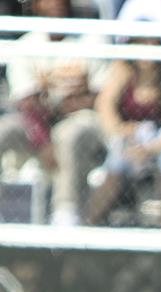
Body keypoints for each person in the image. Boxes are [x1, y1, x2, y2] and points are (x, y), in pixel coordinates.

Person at [0, 0, 108, 226]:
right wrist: (43, 140)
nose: (55, 5)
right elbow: (27, 102)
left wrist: (55, 101)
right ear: (36, 7)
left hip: (80, 121)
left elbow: (100, 95)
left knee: (68, 135)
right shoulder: (25, 45)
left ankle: (65, 211)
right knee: (6, 129)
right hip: (37, 125)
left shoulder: (89, 41)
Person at [85, 50, 161, 227]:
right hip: (134, 137)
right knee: (118, 161)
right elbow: (105, 106)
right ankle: (90, 223)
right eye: (141, 42)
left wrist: (157, 145)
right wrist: (121, 131)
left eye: (152, 43)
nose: (147, 49)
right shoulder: (124, 69)